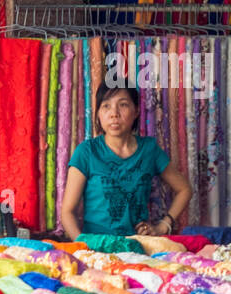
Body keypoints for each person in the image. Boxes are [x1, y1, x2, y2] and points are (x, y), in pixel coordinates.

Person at [61, 84, 191, 241]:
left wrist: (163, 226)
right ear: (98, 114)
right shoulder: (86, 152)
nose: (114, 114)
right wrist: (84, 246)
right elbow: (67, 212)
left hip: (138, 247)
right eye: (106, 106)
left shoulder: (149, 149)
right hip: (97, 248)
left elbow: (184, 189)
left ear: (136, 111)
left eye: (123, 105)